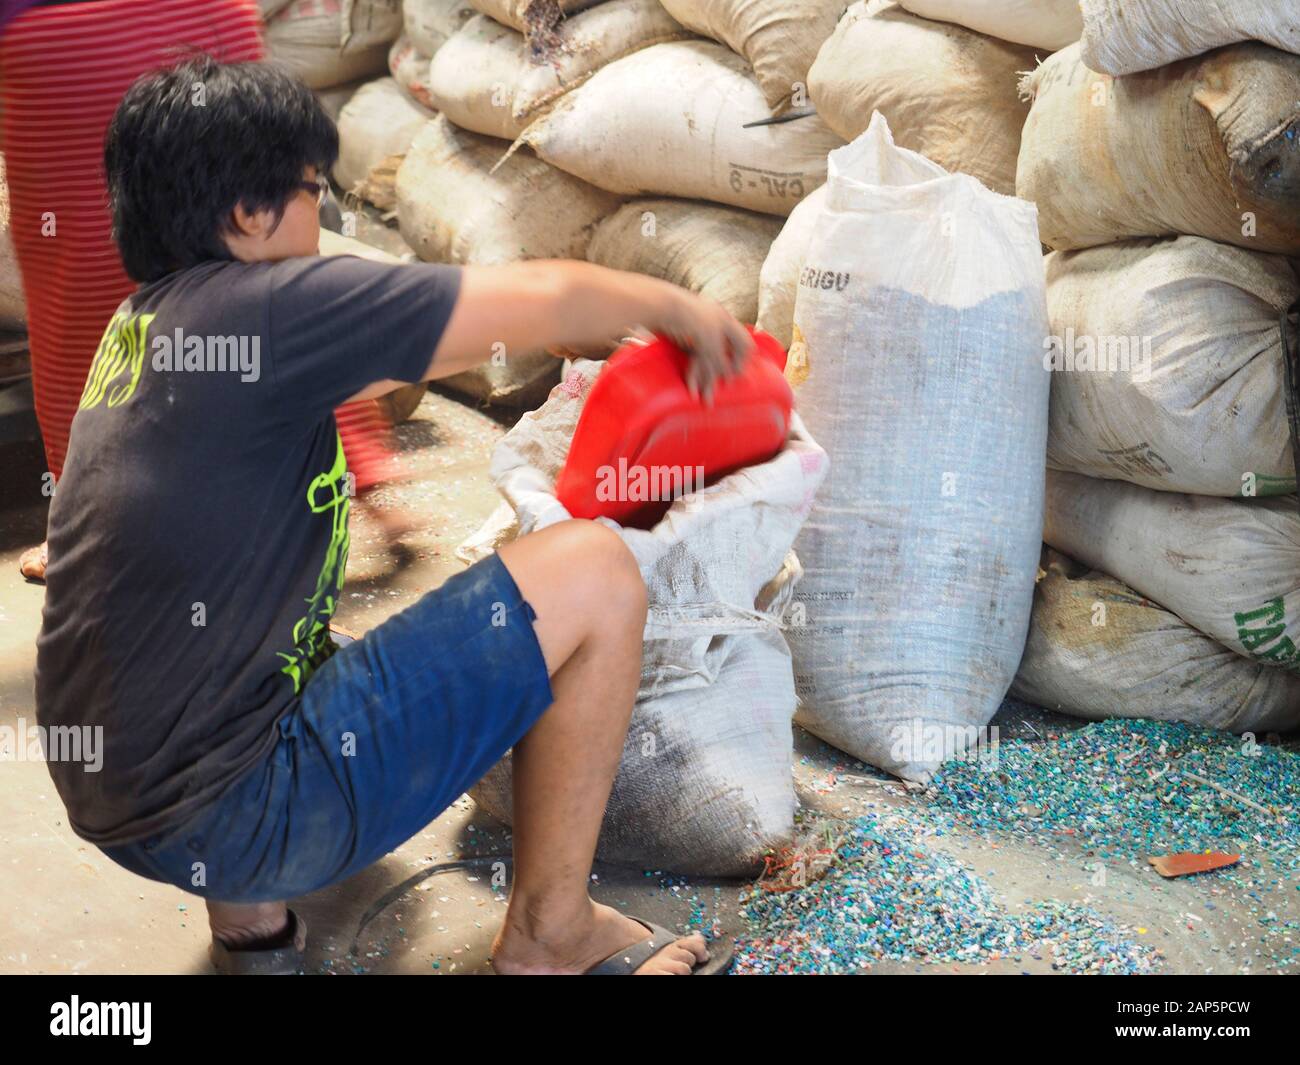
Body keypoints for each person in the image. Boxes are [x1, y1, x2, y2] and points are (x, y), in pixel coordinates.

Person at [35, 54, 753, 975]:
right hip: (230, 808)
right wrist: (683, 311)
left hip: (107, 786)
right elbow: (550, 291)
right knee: (595, 571)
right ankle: (551, 933)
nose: (321, 219)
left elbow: (397, 358)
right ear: (249, 214)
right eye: (309, 193)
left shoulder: (146, 328)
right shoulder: (266, 312)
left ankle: (251, 933)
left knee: (245, 629)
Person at [0, 0, 404, 584]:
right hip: (200, 15)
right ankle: (364, 475)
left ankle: (81, 523)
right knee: (259, 259)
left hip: (59, 39)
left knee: (80, 291)